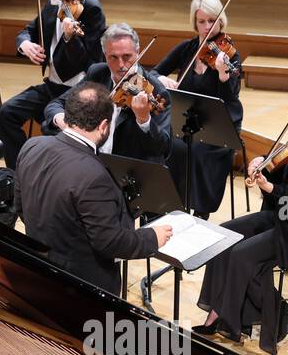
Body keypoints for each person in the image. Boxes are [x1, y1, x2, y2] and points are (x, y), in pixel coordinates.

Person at [193, 86, 288, 355]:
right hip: (285, 217)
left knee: (242, 255)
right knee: (223, 236)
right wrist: (262, 164)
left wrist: (271, 189)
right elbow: (287, 176)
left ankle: (266, 317)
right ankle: (221, 313)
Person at [14, 81, 171, 295]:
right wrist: (151, 237)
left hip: (37, 269)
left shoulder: (31, 146)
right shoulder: (96, 175)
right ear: (104, 126)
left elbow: (21, 206)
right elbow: (110, 241)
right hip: (81, 286)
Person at [0, 0, 105, 169]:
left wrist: (69, 37)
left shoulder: (91, 8)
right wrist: (24, 44)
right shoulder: (53, 2)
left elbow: (89, 60)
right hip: (52, 85)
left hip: (77, 91)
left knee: (50, 129)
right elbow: (28, 31)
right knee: (4, 114)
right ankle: (19, 173)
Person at [154, 0, 243, 218]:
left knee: (202, 153)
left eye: (211, 21)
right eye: (201, 21)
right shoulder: (187, 48)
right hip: (187, 120)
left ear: (220, 21)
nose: (206, 27)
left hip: (218, 124)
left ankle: (201, 212)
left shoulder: (229, 53)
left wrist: (224, 75)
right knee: (172, 148)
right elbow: (153, 72)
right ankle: (175, 206)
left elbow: (231, 96)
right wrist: (161, 80)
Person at [44, 23, 172, 165]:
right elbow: (56, 105)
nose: (121, 64)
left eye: (127, 56)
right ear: (105, 55)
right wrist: (64, 123)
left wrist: (144, 120)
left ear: (138, 52)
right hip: (92, 160)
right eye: (113, 57)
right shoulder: (98, 73)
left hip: (126, 170)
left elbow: (162, 148)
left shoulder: (157, 92)